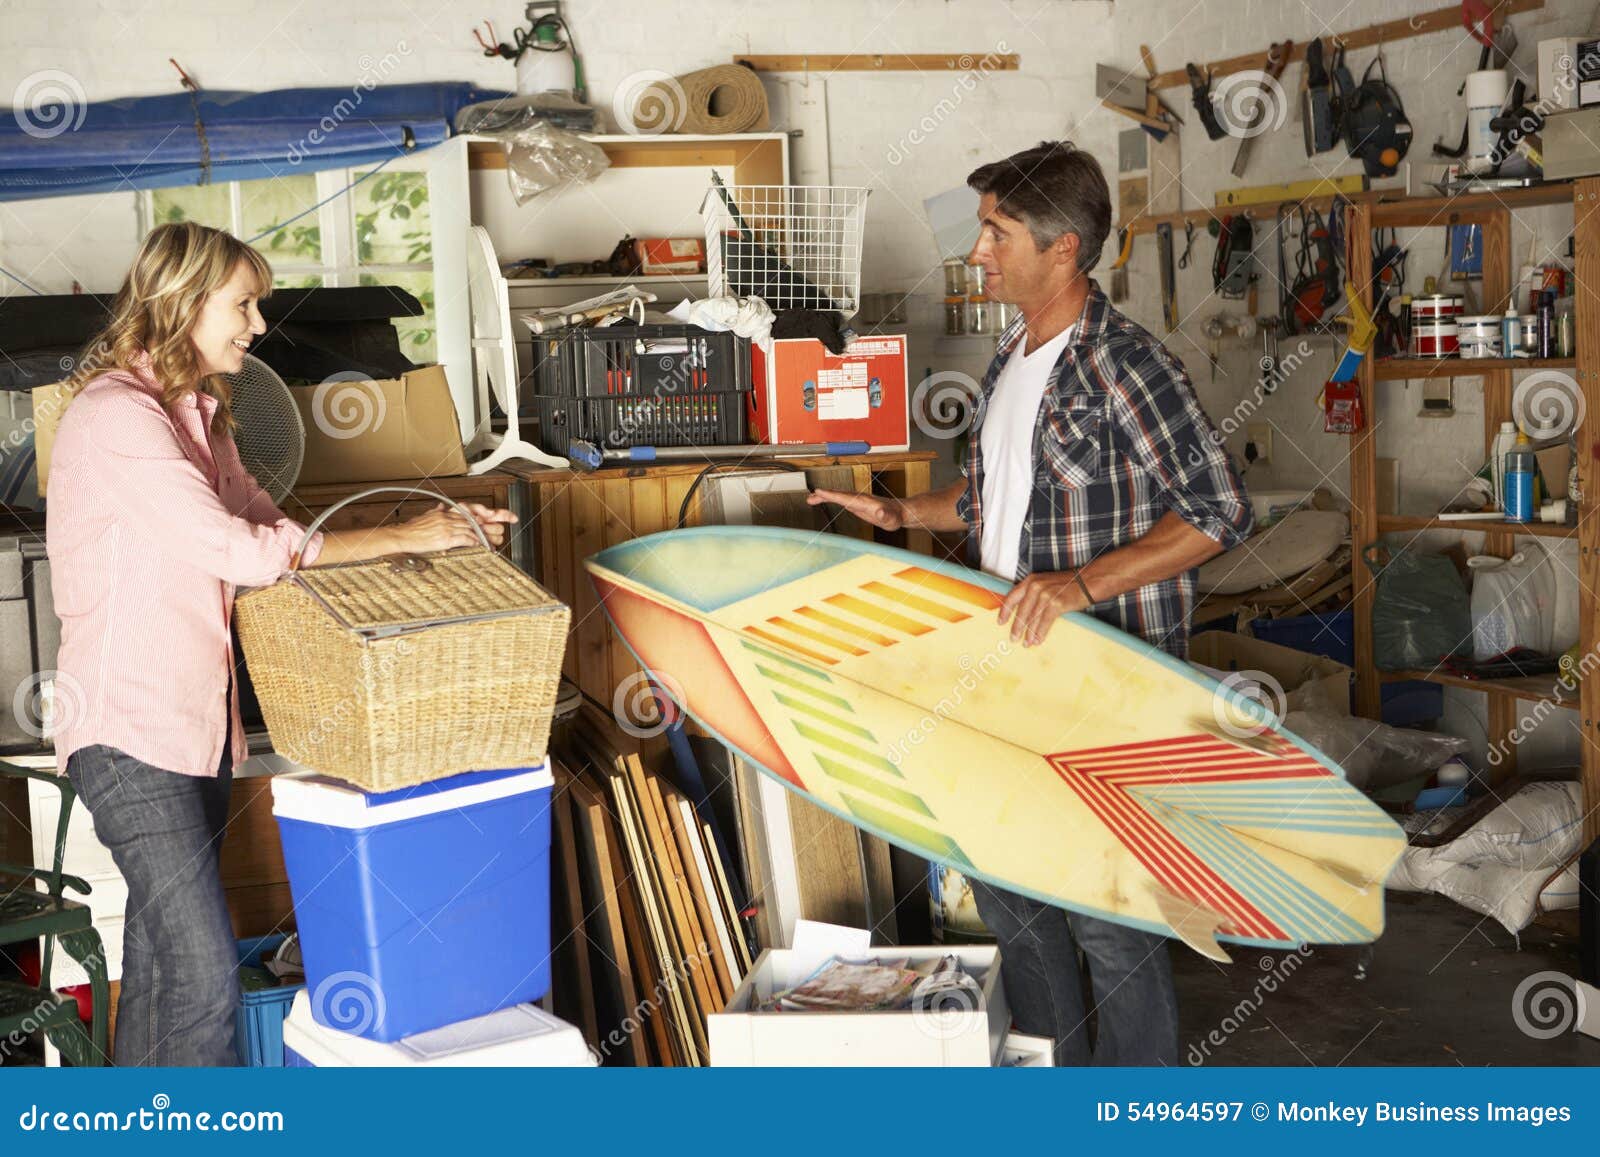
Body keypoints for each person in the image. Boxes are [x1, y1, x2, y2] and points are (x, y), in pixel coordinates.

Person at [809, 142, 1251, 1064]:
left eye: (996, 232)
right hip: (1004, 674)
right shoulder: (1013, 352)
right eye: (983, 229)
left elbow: (1219, 511)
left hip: (1099, 691)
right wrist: (901, 511)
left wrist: (1080, 587)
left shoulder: (1126, 365)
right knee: (1013, 900)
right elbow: (991, 498)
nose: (977, 252)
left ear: (1063, 250)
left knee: (1111, 923)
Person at [46, 222, 518, 1066]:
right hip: (126, 731)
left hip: (193, 731)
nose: (258, 324)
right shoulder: (116, 417)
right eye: (244, 303)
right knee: (200, 974)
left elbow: (275, 526)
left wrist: (429, 535)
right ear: (184, 303)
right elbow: (242, 552)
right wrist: (411, 528)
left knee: (162, 970)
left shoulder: (201, 416)